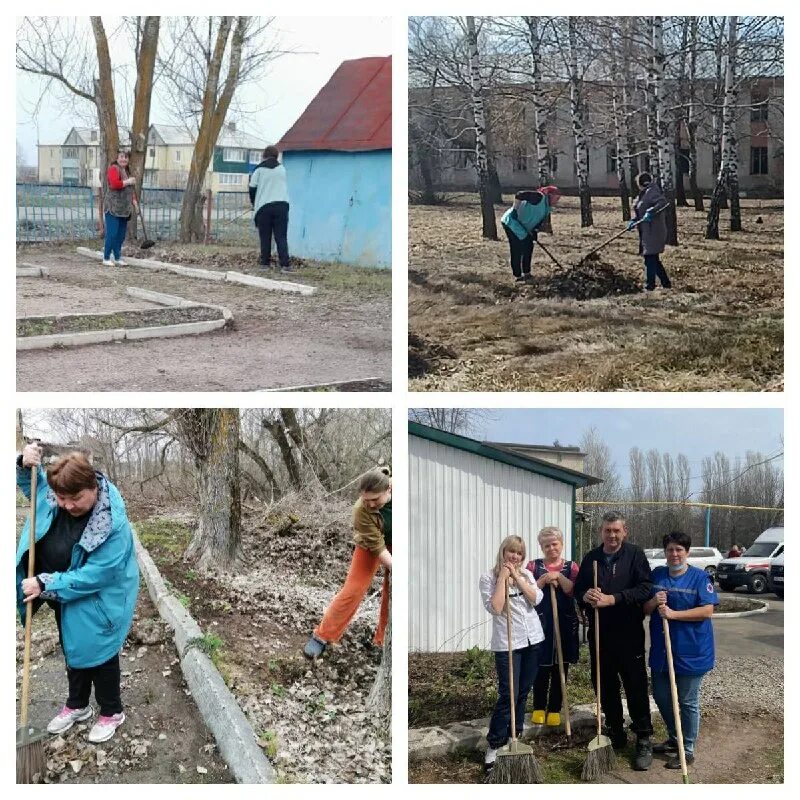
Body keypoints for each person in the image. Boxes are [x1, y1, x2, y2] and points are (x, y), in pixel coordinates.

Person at [15, 443, 139, 743]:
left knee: (100, 653)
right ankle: (78, 704)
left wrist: (46, 584)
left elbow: (94, 575)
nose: (67, 505)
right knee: (73, 646)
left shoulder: (112, 525)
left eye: (76, 498)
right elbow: (35, 487)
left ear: (93, 487)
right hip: (61, 593)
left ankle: (112, 710)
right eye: (62, 498)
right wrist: (23, 464)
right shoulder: (55, 497)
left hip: (97, 598)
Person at [574, 512, 655, 770]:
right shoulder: (592, 558)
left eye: (616, 531)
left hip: (629, 633)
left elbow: (645, 589)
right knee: (604, 684)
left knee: (636, 686)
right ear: (602, 532)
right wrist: (585, 595)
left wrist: (614, 599)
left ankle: (643, 736)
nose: (612, 535)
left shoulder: (635, 555)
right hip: (600, 634)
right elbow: (578, 589)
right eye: (607, 530)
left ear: (624, 531)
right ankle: (616, 729)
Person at [644, 531, 718, 769]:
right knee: (662, 696)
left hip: (692, 651)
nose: (674, 554)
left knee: (687, 701)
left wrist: (674, 615)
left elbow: (707, 611)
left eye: (679, 550)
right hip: (662, 652)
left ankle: (687, 748)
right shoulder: (657, 575)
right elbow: (645, 609)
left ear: (687, 552)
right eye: (669, 550)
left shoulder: (700, 578)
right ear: (664, 552)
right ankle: (674, 738)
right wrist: (655, 601)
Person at [303, 468, 391, 658]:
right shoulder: (361, 510)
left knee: (391, 593)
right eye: (366, 499)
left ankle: (382, 640)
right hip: (371, 544)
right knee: (353, 590)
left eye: (375, 499)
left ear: (388, 489)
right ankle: (322, 635)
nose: (370, 504)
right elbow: (377, 547)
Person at [479, 535, 544, 774]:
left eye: (519, 554)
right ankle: (494, 744)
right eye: (511, 552)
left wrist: (517, 576)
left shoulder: (527, 575)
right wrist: (504, 580)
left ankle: (514, 737)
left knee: (523, 692)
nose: (515, 557)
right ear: (503, 552)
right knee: (508, 694)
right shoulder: (488, 577)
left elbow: (537, 599)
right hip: (508, 643)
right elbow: (495, 608)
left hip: (533, 640)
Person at [526, 526, 580, 727]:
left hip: (564, 623)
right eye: (546, 545)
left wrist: (558, 576)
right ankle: (539, 707)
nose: (551, 548)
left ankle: (555, 709)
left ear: (561, 544)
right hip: (540, 622)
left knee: (560, 666)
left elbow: (573, 590)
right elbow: (528, 591)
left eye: (554, 544)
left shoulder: (571, 567)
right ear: (541, 547)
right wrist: (543, 579)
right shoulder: (533, 566)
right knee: (540, 666)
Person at [500, 185, 561, 283]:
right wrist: (515, 210)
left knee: (528, 247)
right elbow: (520, 194)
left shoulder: (547, 208)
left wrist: (534, 231)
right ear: (549, 195)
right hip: (511, 222)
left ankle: (527, 273)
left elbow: (538, 221)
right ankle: (518, 276)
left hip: (523, 227)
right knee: (517, 248)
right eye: (556, 198)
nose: (557, 201)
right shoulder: (538, 197)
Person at [249, 145, 291, 272]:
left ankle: (264, 264)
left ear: (264, 156)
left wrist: (254, 203)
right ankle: (285, 265)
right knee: (281, 236)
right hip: (282, 206)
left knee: (265, 236)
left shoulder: (259, 170)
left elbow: (252, 188)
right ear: (277, 156)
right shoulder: (282, 169)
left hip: (264, 207)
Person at [627, 172, 671, 292]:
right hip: (646, 231)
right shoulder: (644, 193)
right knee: (653, 259)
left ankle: (649, 286)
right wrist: (633, 221)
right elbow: (640, 211)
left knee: (649, 258)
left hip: (654, 231)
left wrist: (651, 211)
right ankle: (666, 283)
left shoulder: (652, 191)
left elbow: (662, 202)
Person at [102, 149, 138, 267]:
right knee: (112, 234)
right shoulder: (114, 169)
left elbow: (130, 190)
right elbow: (114, 184)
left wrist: (134, 201)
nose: (124, 159)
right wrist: (128, 181)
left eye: (126, 157)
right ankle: (106, 257)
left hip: (124, 208)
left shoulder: (126, 171)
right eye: (121, 157)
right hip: (113, 207)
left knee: (120, 235)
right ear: (117, 158)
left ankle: (117, 257)